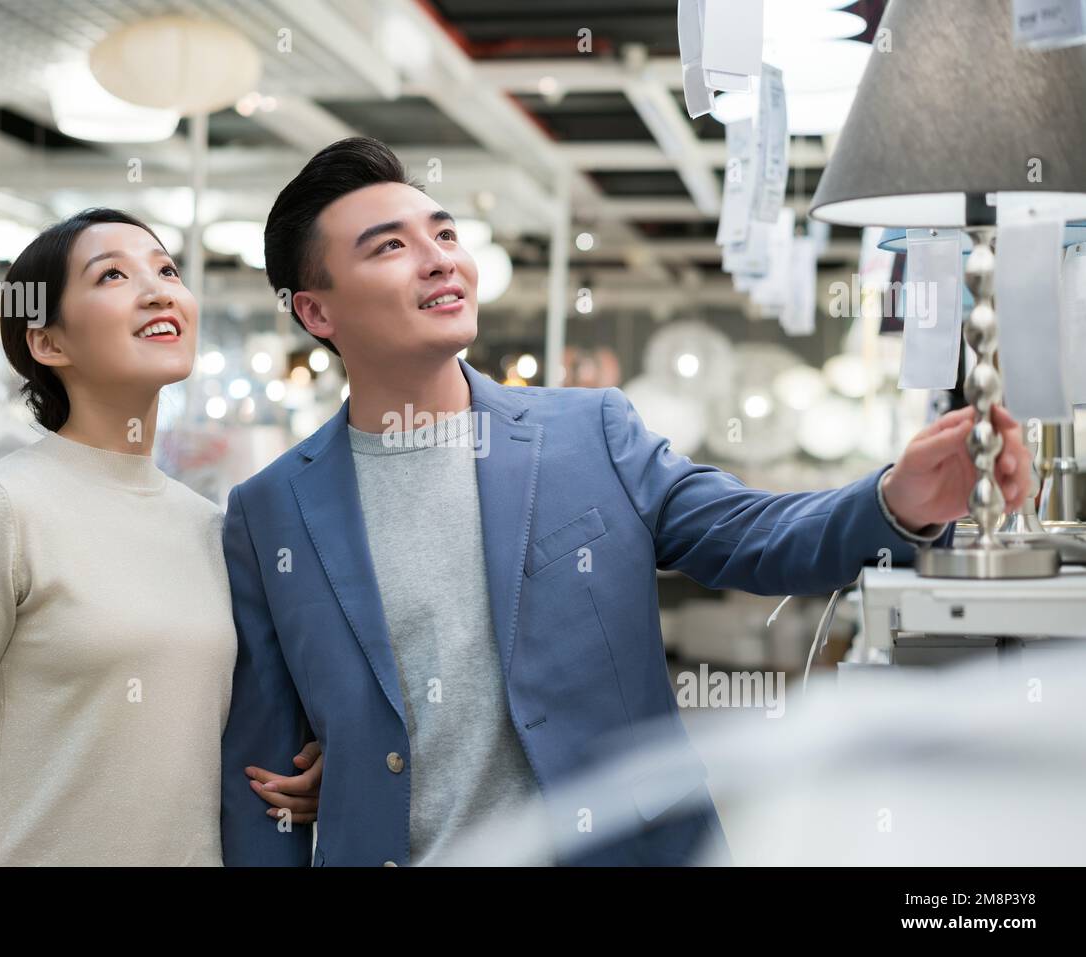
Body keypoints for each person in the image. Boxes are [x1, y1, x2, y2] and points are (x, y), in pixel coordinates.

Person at [219, 138, 1033, 867]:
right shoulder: (270, 511)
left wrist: (895, 499)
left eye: (443, 234)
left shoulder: (588, 432)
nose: (439, 260)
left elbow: (754, 537)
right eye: (389, 248)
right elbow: (266, 774)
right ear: (316, 310)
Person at [0, 208, 321, 865]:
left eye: (167, 268)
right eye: (112, 274)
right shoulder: (0, 511)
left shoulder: (211, 528)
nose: (158, 288)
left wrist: (310, 764)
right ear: (49, 343)